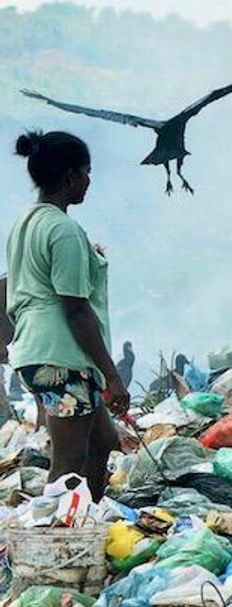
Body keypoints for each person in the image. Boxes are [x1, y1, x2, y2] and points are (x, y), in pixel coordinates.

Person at [7, 130, 128, 499]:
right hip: (60, 357)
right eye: (87, 172)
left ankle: (88, 517)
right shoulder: (63, 229)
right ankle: (54, 543)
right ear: (71, 176)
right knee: (68, 463)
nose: (89, 181)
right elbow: (76, 309)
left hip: (39, 350)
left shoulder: (28, 222)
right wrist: (112, 376)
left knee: (103, 439)